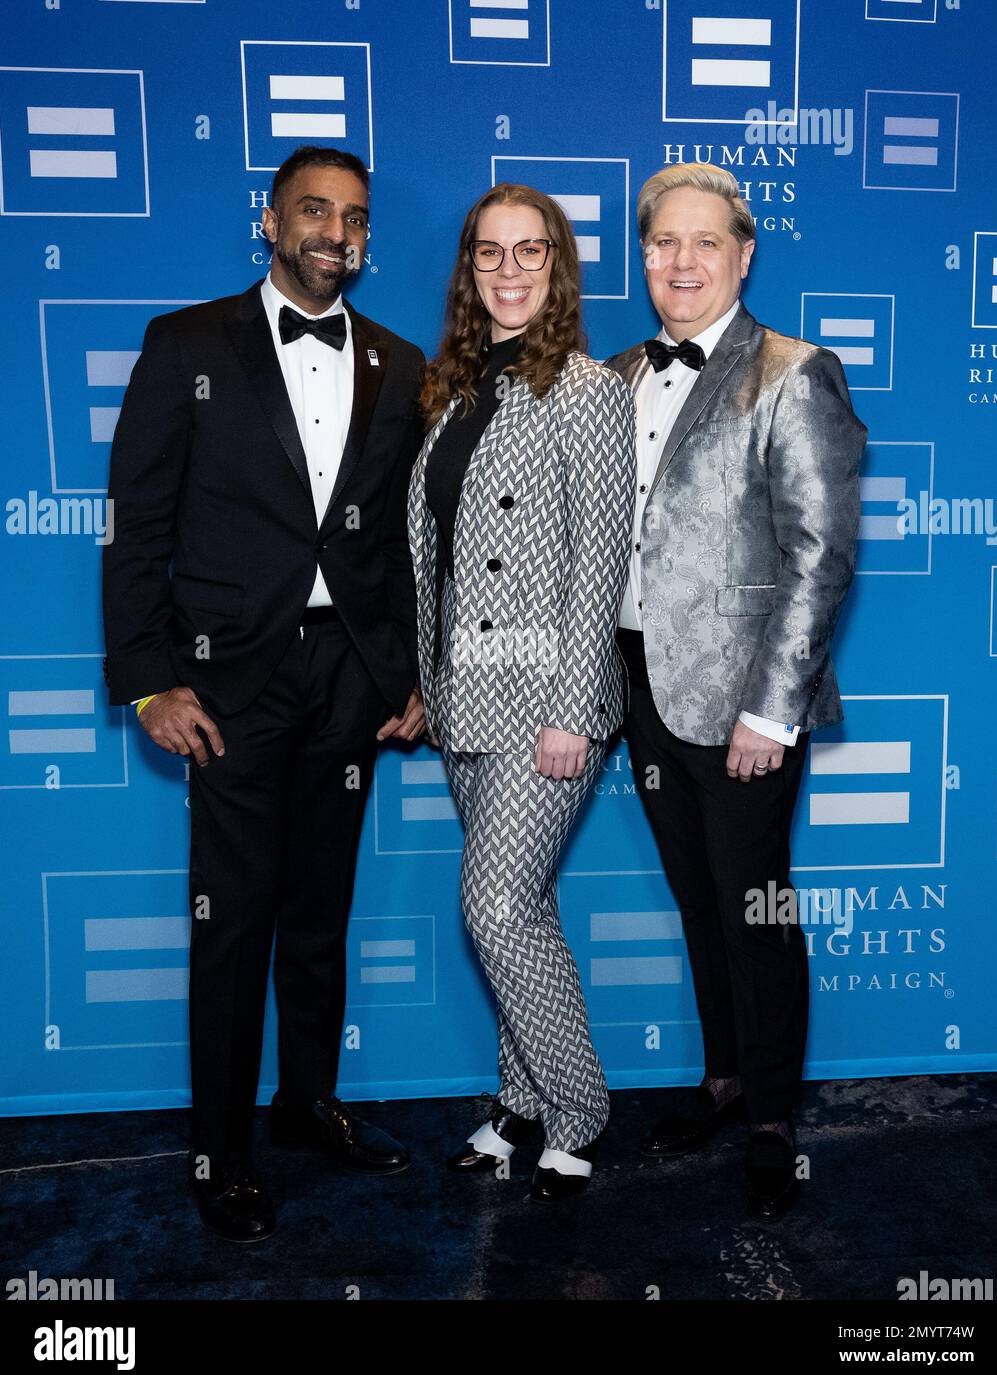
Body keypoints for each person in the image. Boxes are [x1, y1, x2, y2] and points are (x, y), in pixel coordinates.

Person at [102, 145, 426, 1242]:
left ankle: (306, 1107)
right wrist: (148, 683)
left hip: (349, 677)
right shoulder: (188, 343)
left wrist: (407, 672)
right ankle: (220, 1149)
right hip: (229, 677)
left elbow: (398, 545)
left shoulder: (399, 362)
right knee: (231, 924)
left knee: (318, 913)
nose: (336, 230)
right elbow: (137, 527)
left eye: (355, 217)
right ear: (272, 221)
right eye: (314, 211)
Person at [606, 163, 865, 1219]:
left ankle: (770, 1113)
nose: (680, 261)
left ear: (743, 253)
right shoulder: (611, 372)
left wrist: (771, 707)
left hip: (744, 701)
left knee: (755, 903)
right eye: (662, 242)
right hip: (636, 685)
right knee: (700, 900)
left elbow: (819, 554)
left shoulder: (792, 371)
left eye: (703, 242)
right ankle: (721, 1077)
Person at [409, 184, 636, 1201]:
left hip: (546, 697)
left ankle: (577, 1107)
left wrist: (572, 707)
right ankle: (519, 1102)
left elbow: (600, 560)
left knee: (495, 906)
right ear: (469, 270)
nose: (508, 271)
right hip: (465, 698)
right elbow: (441, 561)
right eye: (488, 253)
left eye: (528, 251)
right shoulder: (454, 392)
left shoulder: (585, 390)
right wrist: (427, 684)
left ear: (557, 267)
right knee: (523, 911)